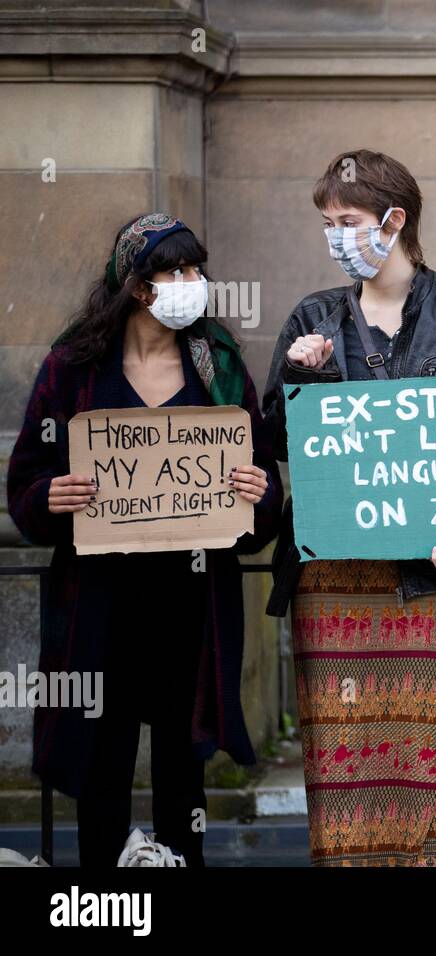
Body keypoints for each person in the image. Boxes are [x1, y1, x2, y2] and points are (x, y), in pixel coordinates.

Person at [262, 149, 436, 866]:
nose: (336, 235)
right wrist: (296, 375)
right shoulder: (312, 316)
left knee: (428, 757)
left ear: (394, 221)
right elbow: (273, 442)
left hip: (423, 580)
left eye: (348, 221)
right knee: (342, 768)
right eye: (327, 224)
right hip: (334, 578)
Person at [6, 212, 281, 867]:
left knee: (183, 759)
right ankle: (102, 884)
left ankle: (180, 860)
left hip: (191, 605)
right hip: (99, 602)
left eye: (196, 270)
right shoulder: (72, 367)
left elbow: (263, 490)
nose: (193, 283)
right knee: (101, 754)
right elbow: (25, 484)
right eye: (176, 271)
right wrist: (50, 497)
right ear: (137, 286)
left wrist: (257, 494)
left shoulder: (217, 365)